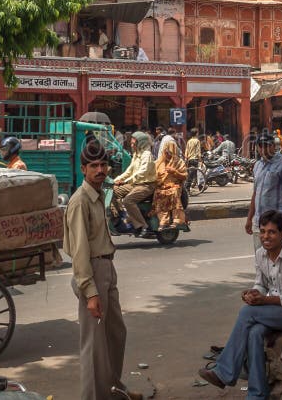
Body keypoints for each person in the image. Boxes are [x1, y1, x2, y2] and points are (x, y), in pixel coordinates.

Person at [198, 211, 282, 399]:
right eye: (263, 231)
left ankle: (224, 372)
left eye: (272, 232)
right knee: (254, 332)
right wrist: (253, 293)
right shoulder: (260, 254)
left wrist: (265, 300)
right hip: (272, 310)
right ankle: (257, 394)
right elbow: (261, 284)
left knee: (247, 313)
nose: (266, 237)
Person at [63, 136, 142, 400]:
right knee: (94, 346)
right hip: (92, 274)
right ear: (83, 169)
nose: (100, 170)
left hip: (107, 270)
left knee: (115, 334)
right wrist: (90, 292)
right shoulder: (80, 201)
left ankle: (113, 390)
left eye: (103, 165)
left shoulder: (97, 196)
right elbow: (79, 251)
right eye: (94, 165)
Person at [246, 130, 282, 250]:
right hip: (259, 222)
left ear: (273, 146)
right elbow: (256, 193)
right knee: (260, 259)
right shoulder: (257, 166)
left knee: (278, 259)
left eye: (267, 145)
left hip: (276, 221)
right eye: (261, 146)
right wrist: (249, 219)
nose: (263, 149)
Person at [112, 131, 156, 236]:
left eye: (133, 143)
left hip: (146, 186)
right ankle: (119, 217)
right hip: (134, 184)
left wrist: (126, 181)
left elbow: (143, 172)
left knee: (128, 201)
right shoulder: (136, 154)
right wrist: (115, 180)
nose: (131, 145)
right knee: (112, 190)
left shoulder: (147, 155)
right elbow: (129, 171)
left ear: (140, 143)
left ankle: (143, 227)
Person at [153, 140, 187, 229]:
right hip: (162, 186)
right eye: (166, 152)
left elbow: (184, 176)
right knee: (158, 194)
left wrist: (174, 172)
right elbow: (153, 175)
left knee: (174, 193)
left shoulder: (179, 162)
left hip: (175, 185)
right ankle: (163, 221)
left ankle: (177, 220)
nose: (167, 154)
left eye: (169, 152)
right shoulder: (158, 162)